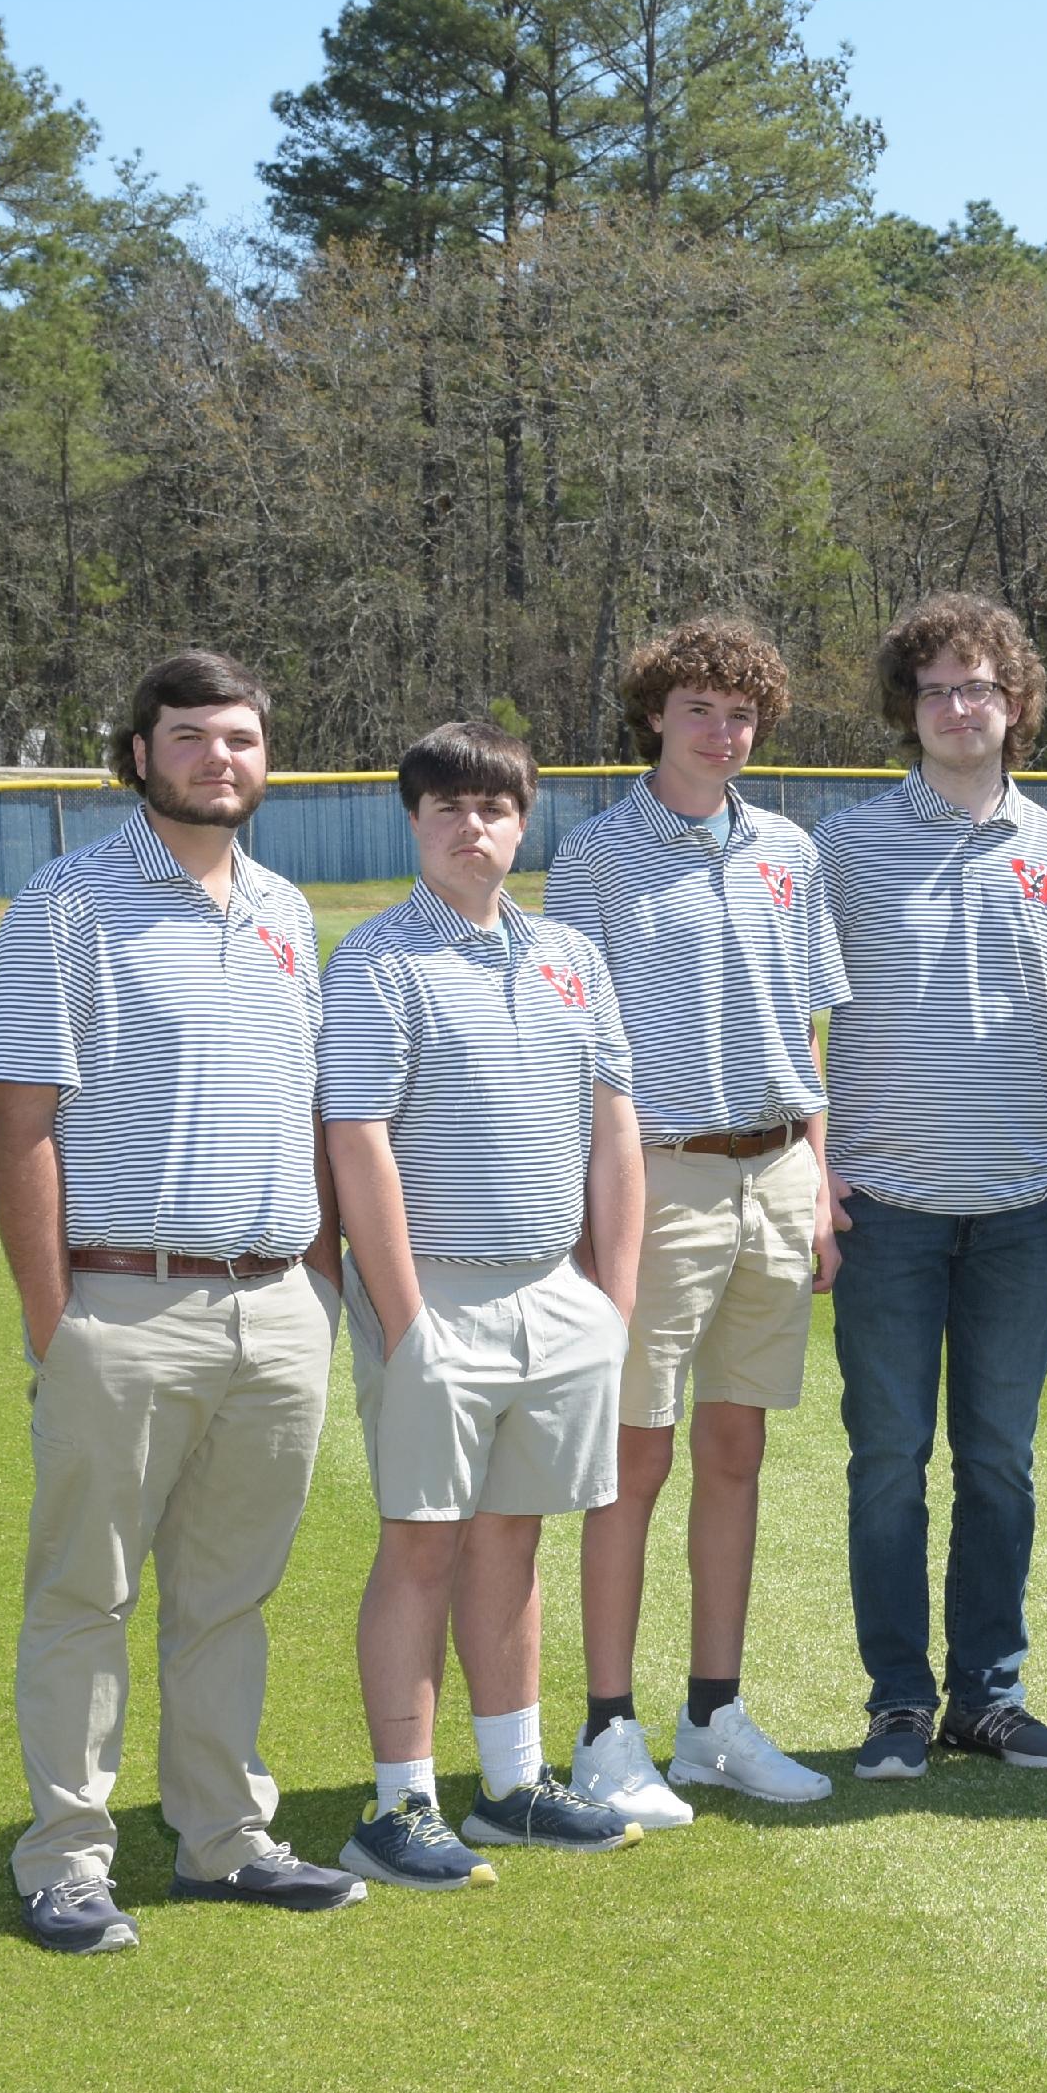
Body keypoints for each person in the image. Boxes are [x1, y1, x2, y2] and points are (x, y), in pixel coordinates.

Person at [0, 649, 361, 1954]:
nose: (219, 758)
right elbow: (20, 1123)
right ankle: (67, 1858)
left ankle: (223, 1839)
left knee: (231, 1596)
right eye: (190, 736)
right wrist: (54, 1321)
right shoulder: (64, 905)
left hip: (275, 1306)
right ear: (138, 753)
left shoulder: (288, 911)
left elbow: (312, 1112)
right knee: (86, 1595)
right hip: (124, 1305)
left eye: (242, 737)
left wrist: (319, 1282)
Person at [321, 722, 648, 1891]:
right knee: (421, 1544)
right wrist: (406, 1324)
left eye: (496, 807)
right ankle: (397, 1802)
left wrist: (609, 1301)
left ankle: (511, 1783)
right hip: (439, 1300)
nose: (474, 826)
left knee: (515, 1536)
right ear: (413, 821)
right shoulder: (374, 961)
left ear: (526, 820)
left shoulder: (570, 955)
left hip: (553, 1296)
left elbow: (614, 1128)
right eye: (450, 807)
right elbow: (357, 1142)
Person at [544, 619, 848, 1820]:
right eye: (699, 711)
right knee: (636, 1454)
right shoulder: (598, 853)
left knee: (737, 1448)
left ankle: (711, 1715)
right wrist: (596, 1211)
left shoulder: (789, 849)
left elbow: (807, 1027)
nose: (723, 732)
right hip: (656, 1175)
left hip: (776, 1171)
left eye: (740, 713)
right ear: (655, 719)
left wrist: (819, 1175)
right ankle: (606, 1729)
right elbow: (578, 1049)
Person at [813, 593, 1047, 1779]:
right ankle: (899, 1701)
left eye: (979, 685)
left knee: (1000, 1460)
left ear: (1015, 702)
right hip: (881, 1204)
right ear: (910, 706)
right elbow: (807, 1021)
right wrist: (815, 1166)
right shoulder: (844, 844)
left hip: (1017, 1210)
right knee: (888, 1459)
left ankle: (988, 1697)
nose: (957, 706)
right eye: (936, 687)